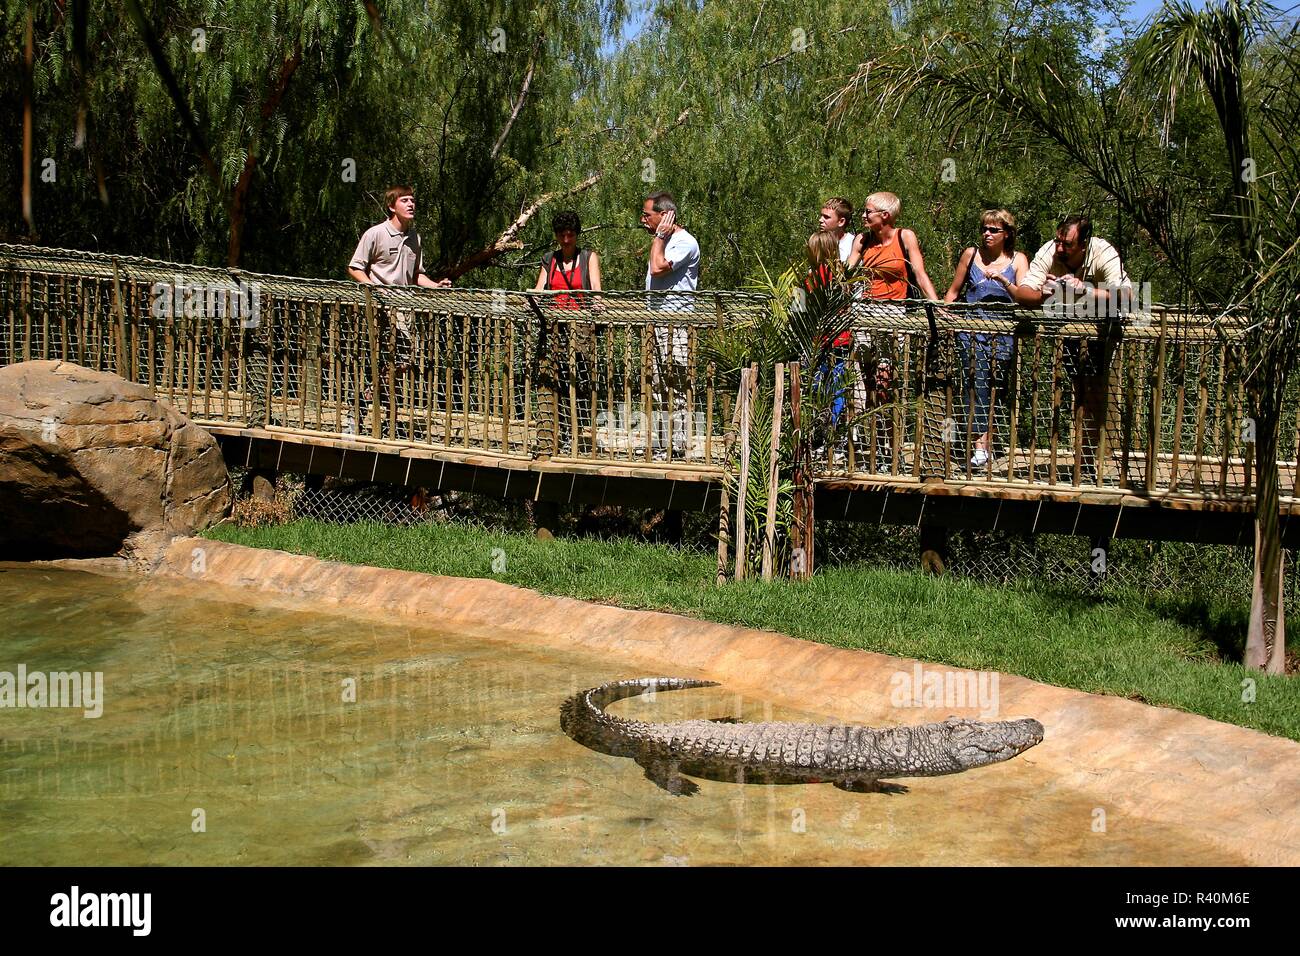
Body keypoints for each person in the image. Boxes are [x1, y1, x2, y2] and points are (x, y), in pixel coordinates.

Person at [1011, 215, 1132, 480]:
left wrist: (1085, 291)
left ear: (1084, 245)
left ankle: (1088, 459)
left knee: (1094, 393)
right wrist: (1045, 294)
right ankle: (1084, 459)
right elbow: (1022, 293)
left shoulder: (1103, 252)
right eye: (1058, 241)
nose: (1060, 248)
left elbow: (1126, 296)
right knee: (1079, 391)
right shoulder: (1049, 251)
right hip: (1070, 327)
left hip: (1102, 328)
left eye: (1067, 244)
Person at [845, 191, 940, 472]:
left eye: (868, 211)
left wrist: (937, 306)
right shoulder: (862, 240)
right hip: (865, 314)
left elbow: (919, 274)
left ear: (885, 215)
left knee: (885, 383)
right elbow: (847, 272)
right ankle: (867, 449)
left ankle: (889, 448)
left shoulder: (904, 237)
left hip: (893, 315)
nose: (864, 215)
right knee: (864, 384)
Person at [346, 186, 452, 435]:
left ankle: (364, 403)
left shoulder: (415, 238)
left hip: (404, 309)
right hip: (378, 309)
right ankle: (375, 416)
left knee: (402, 362)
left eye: (412, 200)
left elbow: (416, 276)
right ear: (392, 206)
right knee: (381, 361)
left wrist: (436, 285)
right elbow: (355, 267)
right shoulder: (375, 233)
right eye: (404, 200)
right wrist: (375, 289)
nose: (411, 204)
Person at [943, 208, 1029, 469]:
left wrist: (1003, 280)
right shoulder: (971, 255)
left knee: (995, 388)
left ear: (1007, 234)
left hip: (1003, 335)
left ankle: (987, 443)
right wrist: (945, 317)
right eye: (984, 229)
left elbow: (1024, 297)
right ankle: (978, 447)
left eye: (994, 230)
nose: (987, 234)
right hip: (970, 332)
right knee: (975, 385)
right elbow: (953, 292)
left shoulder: (1018, 260)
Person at [532, 210, 603, 454]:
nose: (565, 240)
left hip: (580, 328)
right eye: (561, 235)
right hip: (554, 328)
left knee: (580, 378)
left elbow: (596, 288)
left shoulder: (588, 257)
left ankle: (579, 431)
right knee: (555, 379)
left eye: (570, 235)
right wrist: (529, 301)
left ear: (576, 234)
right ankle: (557, 433)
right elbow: (540, 289)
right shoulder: (549, 259)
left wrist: (597, 303)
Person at [641, 191, 701, 457]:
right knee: (657, 385)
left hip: (676, 326)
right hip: (656, 324)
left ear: (664, 216)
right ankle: (662, 443)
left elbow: (658, 268)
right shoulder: (665, 240)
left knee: (677, 383)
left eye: (647, 215)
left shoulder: (684, 242)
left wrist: (659, 237)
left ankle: (678, 445)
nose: (643, 220)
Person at [818, 197, 856, 264]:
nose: (820, 220)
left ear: (841, 222)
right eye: (821, 216)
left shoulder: (853, 246)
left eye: (826, 217)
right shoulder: (818, 242)